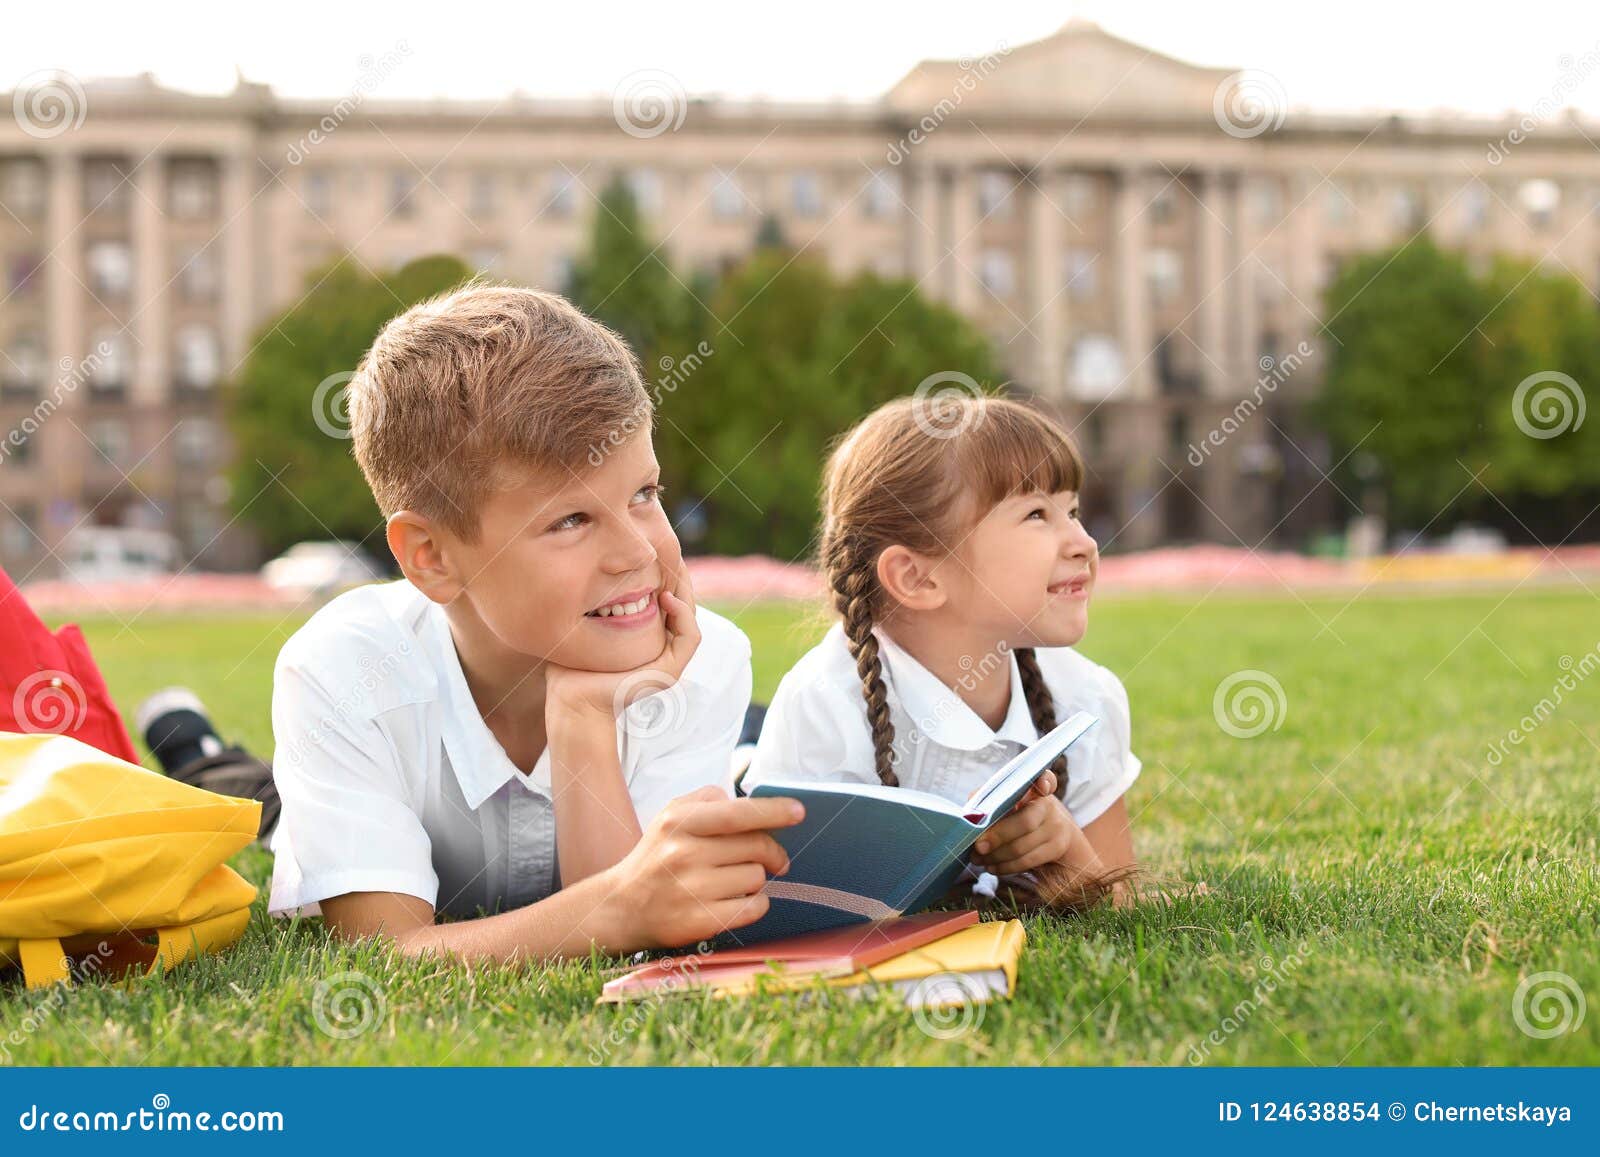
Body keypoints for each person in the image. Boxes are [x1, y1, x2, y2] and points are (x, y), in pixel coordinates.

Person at [267, 284, 803, 963]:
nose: (639, 553)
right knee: (248, 794)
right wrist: (620, 906)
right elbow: (387, 951)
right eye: (571, 520)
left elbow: (646, 928)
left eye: (644, 493)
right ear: (431, 557)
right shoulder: (343, 670)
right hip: (308, 791)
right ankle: (188, 733)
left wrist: (583, 715)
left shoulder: (706, 658)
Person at [743, 395, 1139, 909]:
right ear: (918, 577)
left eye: (1073, 511)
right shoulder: (822, 710)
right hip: (750, 756)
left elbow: (1122, 900)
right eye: (1038, 515)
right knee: (744, 743)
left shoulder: (1086, 698)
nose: (1084, 542)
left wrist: (1067, 853)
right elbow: (794, 910)